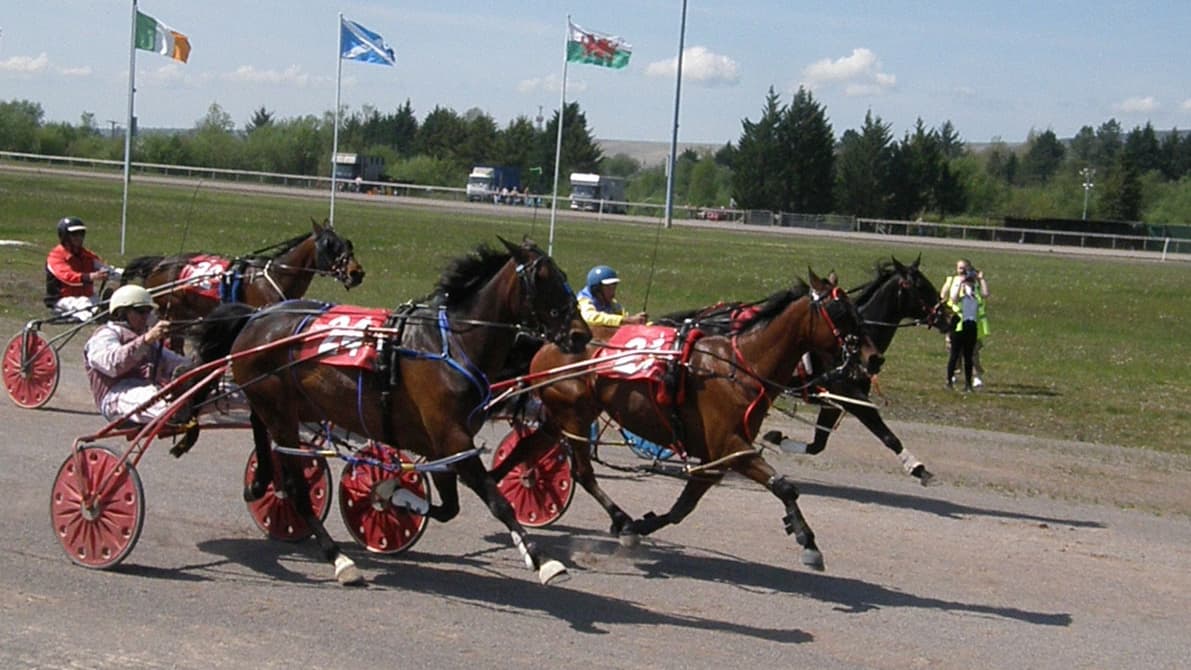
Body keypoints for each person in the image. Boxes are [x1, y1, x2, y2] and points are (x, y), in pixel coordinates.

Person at [83, 285, 189, 424]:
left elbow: (175, 362)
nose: (146, 316)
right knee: (163, 400)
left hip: (149, 391)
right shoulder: (106, 334)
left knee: (208, 395)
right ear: (122, 312)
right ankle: (175, 410)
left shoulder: (147, 339)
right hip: (117, 396)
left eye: (148, 311)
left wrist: (201, 366)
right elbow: (113, 365)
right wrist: (145, 340)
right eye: (141, 311)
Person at [45, 216, 119, 322]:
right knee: (84, 304)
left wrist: (127, 274)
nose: (79, 237)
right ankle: (90, 315)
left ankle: (101, 313)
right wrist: (90, 277)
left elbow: (107, 269)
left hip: (88, 296)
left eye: (81, 234)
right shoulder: (56, 256)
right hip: (62, 299)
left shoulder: (87, 255)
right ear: (65, 236)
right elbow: (67, 277)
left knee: (109, 303)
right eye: (74, 234)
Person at [939, 258, 990, 388]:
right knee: (953, 350)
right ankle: (954, 374)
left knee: (973, 352)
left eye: (965, 268)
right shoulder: (952, 281)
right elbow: (949, 298)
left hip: (971, 321)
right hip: (956, 320)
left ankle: (976, 376)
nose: (962, 271)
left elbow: (985, 294)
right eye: (960, 268)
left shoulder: (975, 283)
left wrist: (981, 279)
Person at [577, 265, 647, 328]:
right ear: (597, 290)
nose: (613, 292)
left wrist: (638, 320)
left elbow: (623, 316)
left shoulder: (611, 302)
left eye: (614, 288)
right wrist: (627, 320)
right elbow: (589, 317)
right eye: (608, 288)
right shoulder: (583, 300)